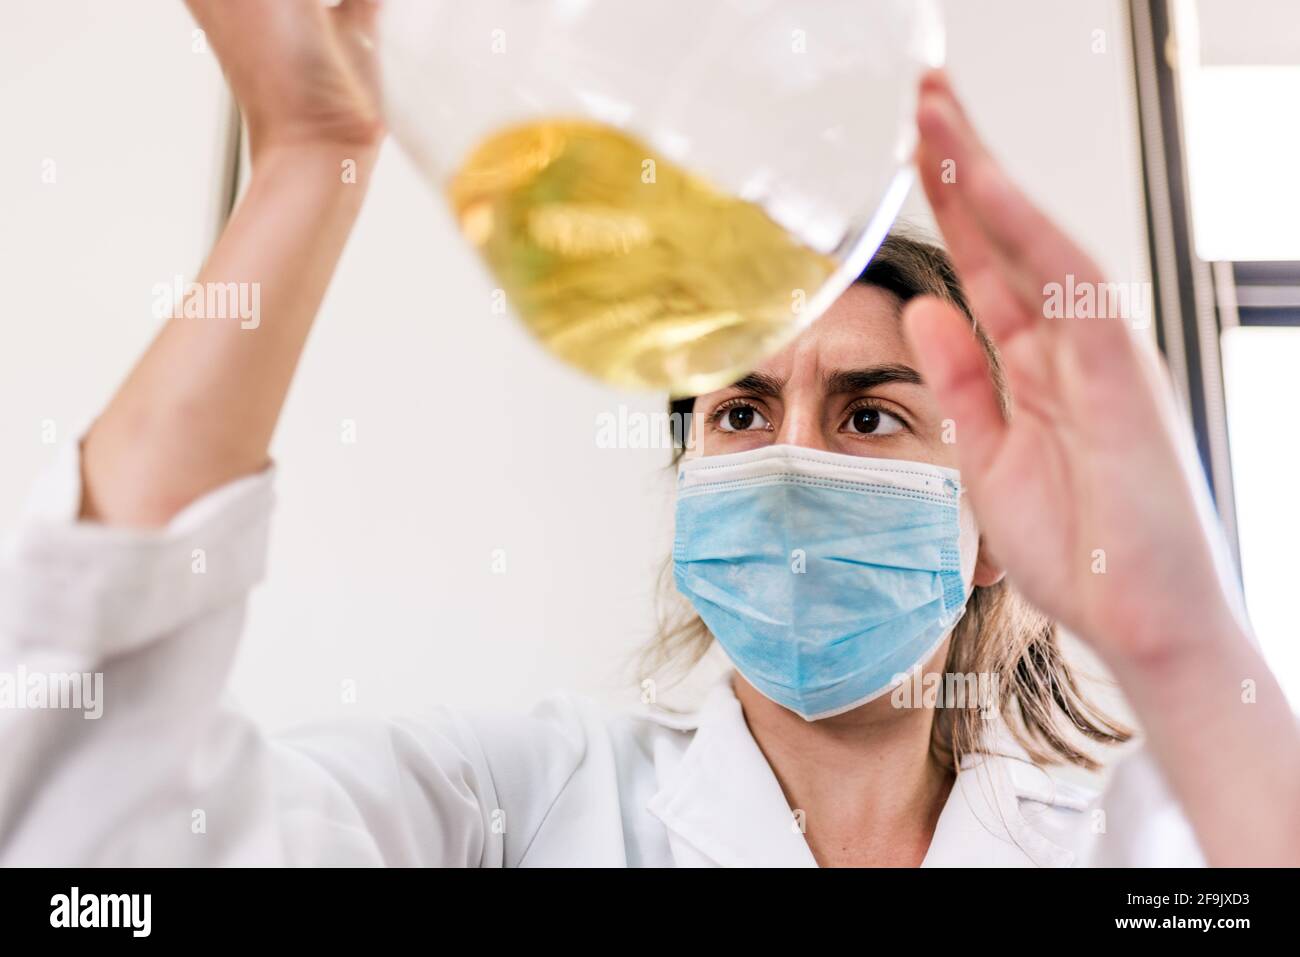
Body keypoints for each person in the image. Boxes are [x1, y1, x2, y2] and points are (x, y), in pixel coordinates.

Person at [1, 0, 1296, 867]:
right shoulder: (512, 808)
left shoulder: (1133, 845)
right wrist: (311, 156)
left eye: (872, 412)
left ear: (998, 527)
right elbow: (97, 839)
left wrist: (1178, 635)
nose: (795, 457)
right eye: (741, 409)